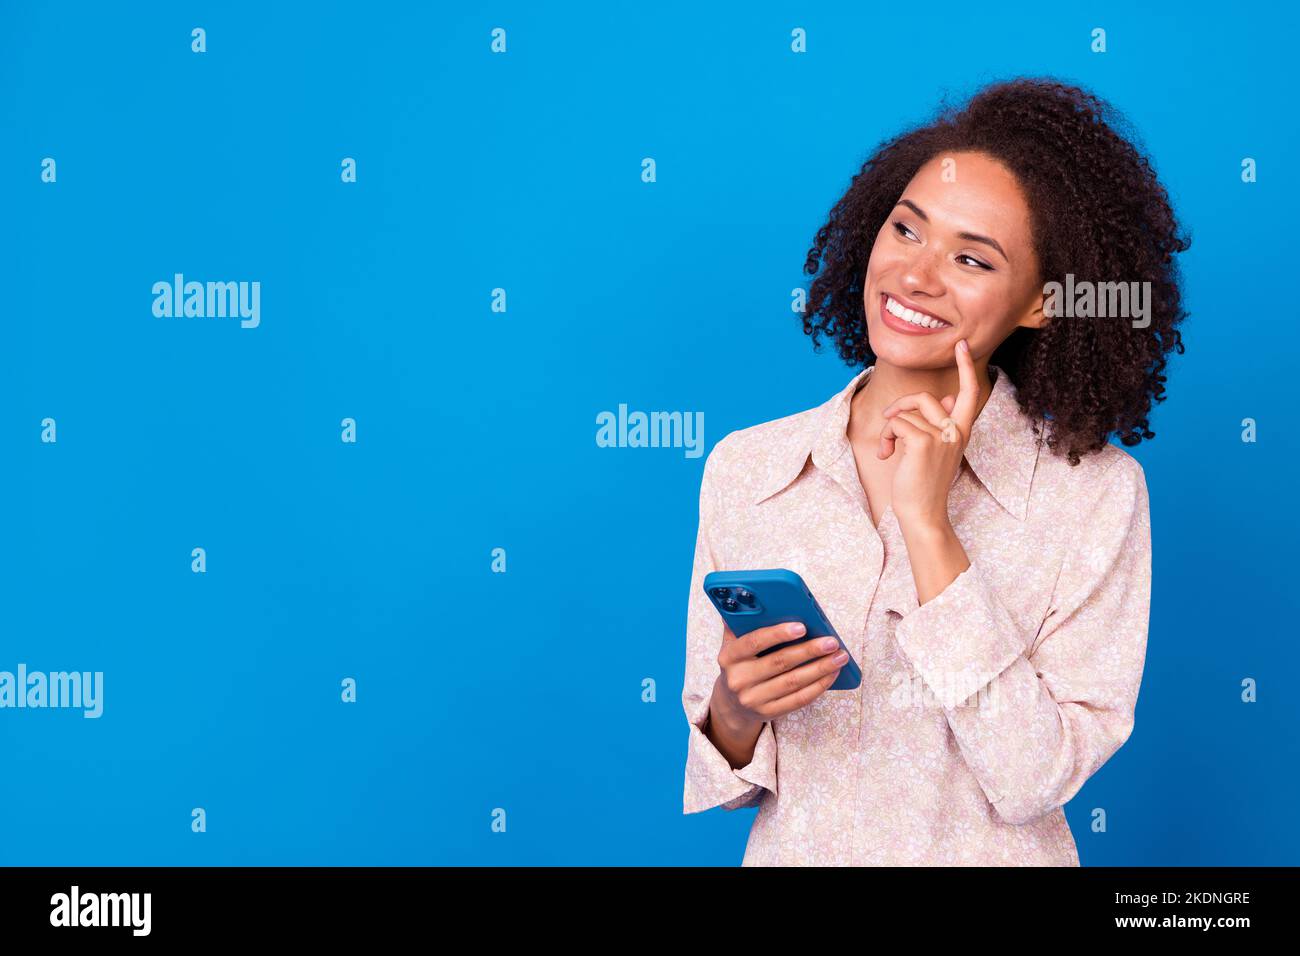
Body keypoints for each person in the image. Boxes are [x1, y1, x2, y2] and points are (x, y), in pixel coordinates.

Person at [681, 78, 1189, 865]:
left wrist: (929, 529)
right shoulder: (750, 469)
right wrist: (735, 709)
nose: (916, 276)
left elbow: (1033, 778)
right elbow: (729, 773)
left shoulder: (1092, 494)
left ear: (1041, 304)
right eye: (907, 230)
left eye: (972, 259)